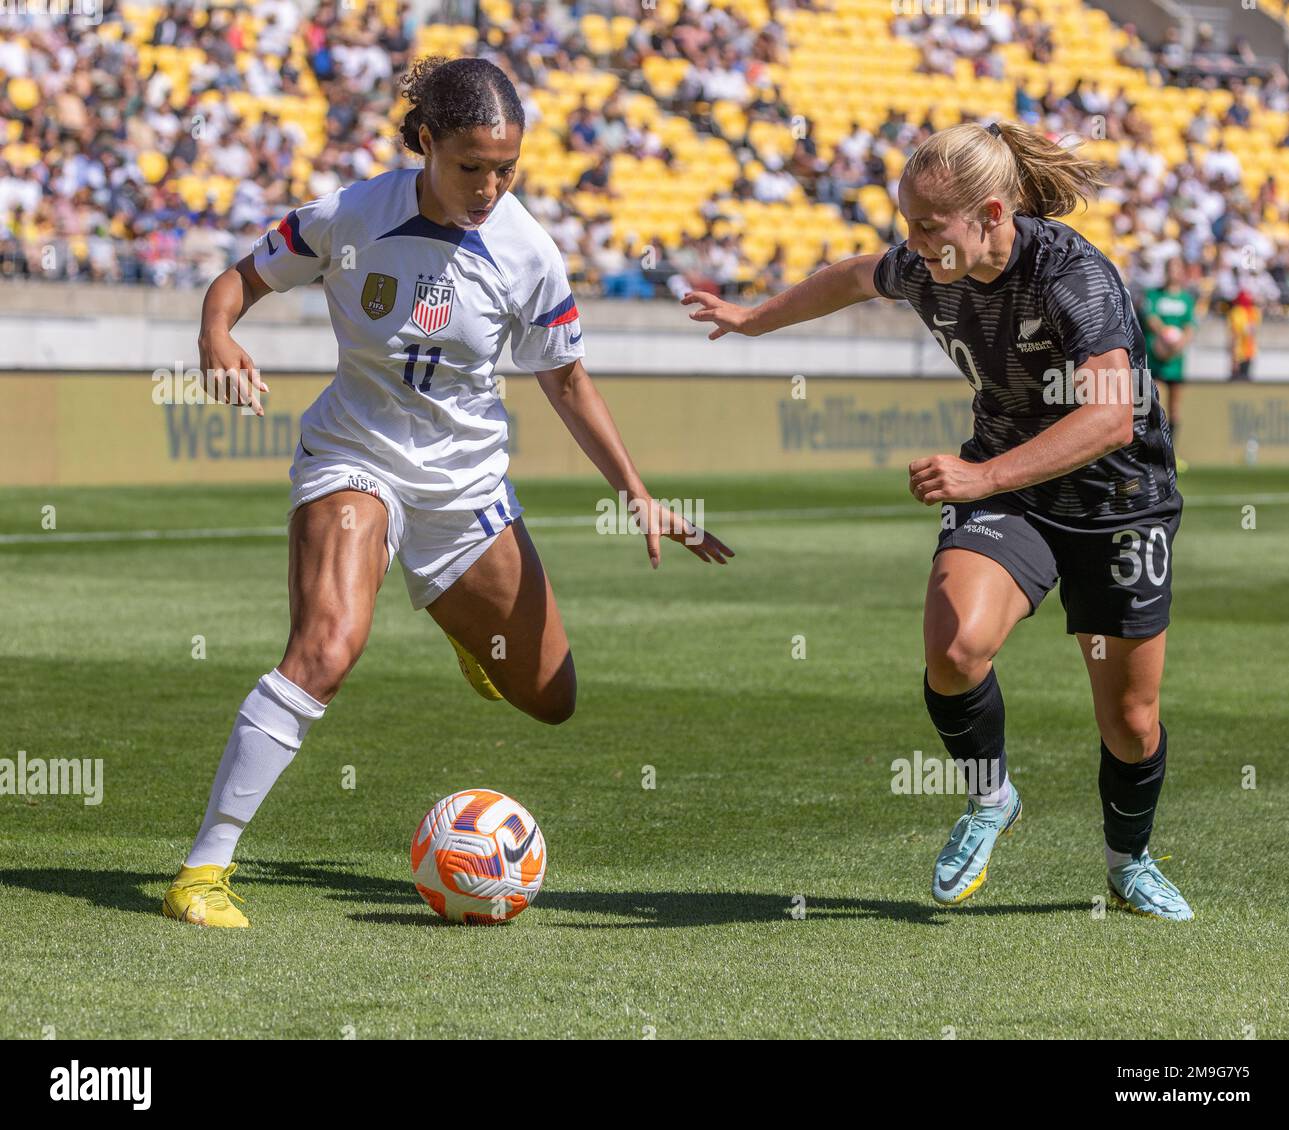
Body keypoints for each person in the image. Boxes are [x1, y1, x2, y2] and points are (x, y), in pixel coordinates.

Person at [164, 56, 733, 928]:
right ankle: (204, 870)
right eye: (472, 166)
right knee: (326, 648)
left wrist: (637, 492)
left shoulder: (529, 251)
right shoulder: (352, 215)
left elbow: (568, 382)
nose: (491, 187)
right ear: (426, 143)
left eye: (507, 169)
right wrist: (216, 335)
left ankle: (462, 625)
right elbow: (240, 277)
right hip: (354, 458)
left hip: (466, 487)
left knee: (551, 699)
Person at [684, 120, 1192, 920]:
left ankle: (1128, 863)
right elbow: (853, 277)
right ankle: (991, 800)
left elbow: (1111, 418)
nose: (911, 243)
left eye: (928, 226)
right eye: (906, 223)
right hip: (1009, 494)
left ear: (991, 215)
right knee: (955, 651)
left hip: (1119, 504)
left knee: (1131, 722)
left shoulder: (1072, 276)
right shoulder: (928, 266)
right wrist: (753, 319)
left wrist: (979, 473)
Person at [1140, 256, 1197, 464]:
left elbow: (1190, 326)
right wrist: (1165, 335)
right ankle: (1151, 451)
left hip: (1175, 360)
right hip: (1156, 358)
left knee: (1174, 408)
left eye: (1178, 267)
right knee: (1154, 404)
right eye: (1171, 267)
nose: (1174, 272)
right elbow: (1149, 317)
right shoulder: (1154, 294)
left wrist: (1180, 343)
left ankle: (1171, 452)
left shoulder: (1186, 299)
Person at [1227, 287, 1260, 380]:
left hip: (1247, 348)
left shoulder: (1251, 312)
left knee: (1243, 375)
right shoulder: (1240, 312)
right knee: (1240, 375)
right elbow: (1236, 332)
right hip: (1242, 348)